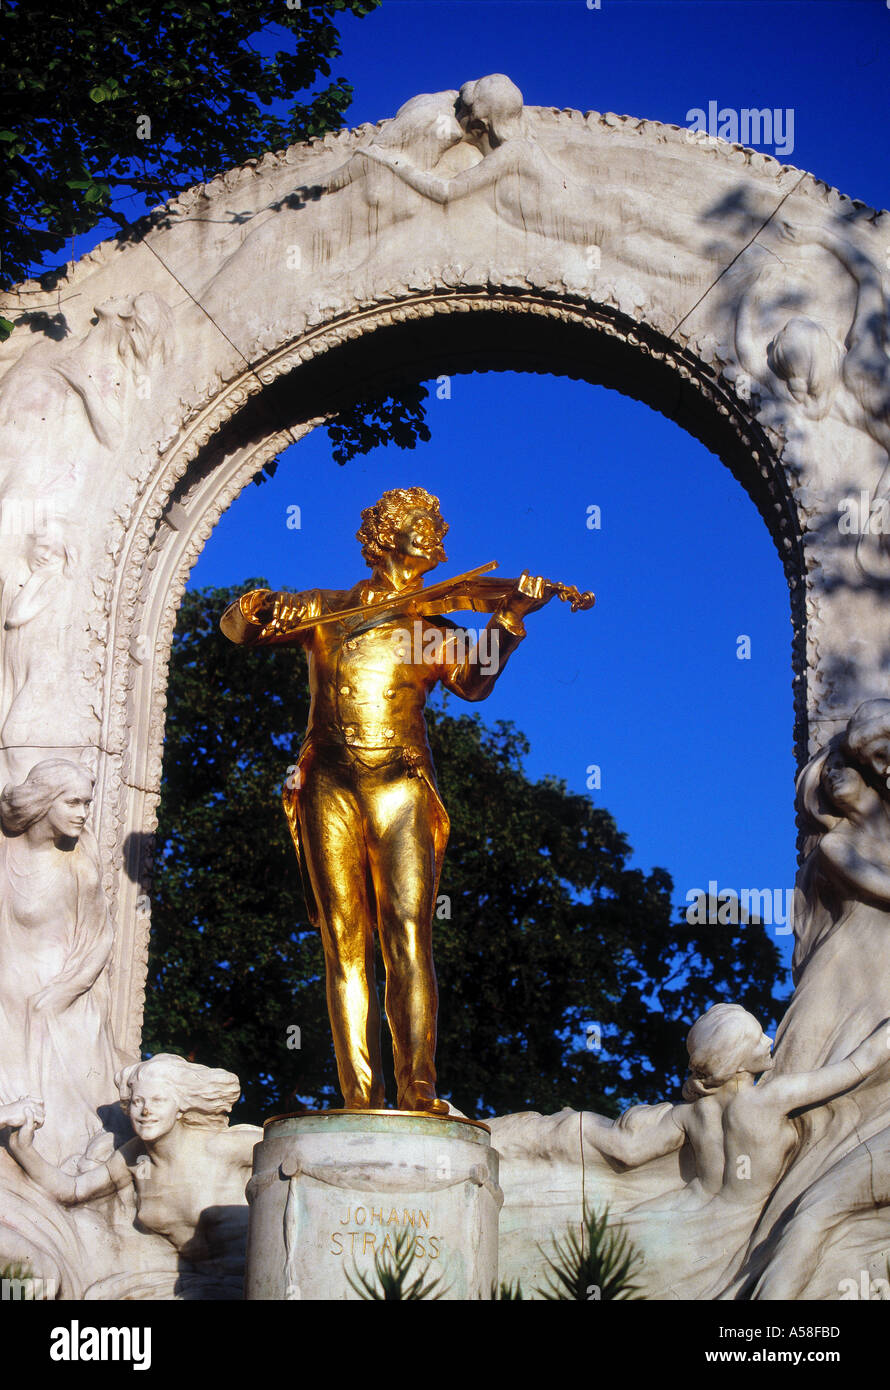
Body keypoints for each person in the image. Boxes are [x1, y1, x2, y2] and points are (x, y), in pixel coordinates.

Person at [220, 486, 588, 1114]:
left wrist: (507, 619)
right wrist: (258, 608)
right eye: (427, 524)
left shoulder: (431, 629)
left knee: (409, 937)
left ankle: (418, 1086)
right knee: (342, 944)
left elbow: (473, 684)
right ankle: (359, 1094)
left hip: (400, 785)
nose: (440, 536)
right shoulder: (324, 610)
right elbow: (237, 628)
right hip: (328, 785)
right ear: (389, 534)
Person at [579, 1003, 890, 1299]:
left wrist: (578, 1126)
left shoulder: (689, 1113)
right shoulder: (771, 1098)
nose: (769, 1040)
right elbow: (858, 1065)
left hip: (677, 1213)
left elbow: (629, 1151)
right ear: (736, 1061)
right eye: (757, 1039)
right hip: (727, 1227)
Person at [7, 1054, 260, 1300]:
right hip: (194, 1283)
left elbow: (284, 1148)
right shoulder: (135, 1156)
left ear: (180, 1108)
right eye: (138, 1101)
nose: (146, 1110)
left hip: (253, 1283)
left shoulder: (222, 1147)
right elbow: (73, 1190)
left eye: (158, 1100)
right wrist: (22, 1148)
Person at [0, 759, 123, 1166]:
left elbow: (101, 938)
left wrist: (58, 995)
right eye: (73, 802)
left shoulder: (79, 862)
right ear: (44, 800)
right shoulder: (5, 851)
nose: (83, 813)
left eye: (87, 803)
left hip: (60, 1003)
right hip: (7, 1000)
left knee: (61, 1130)